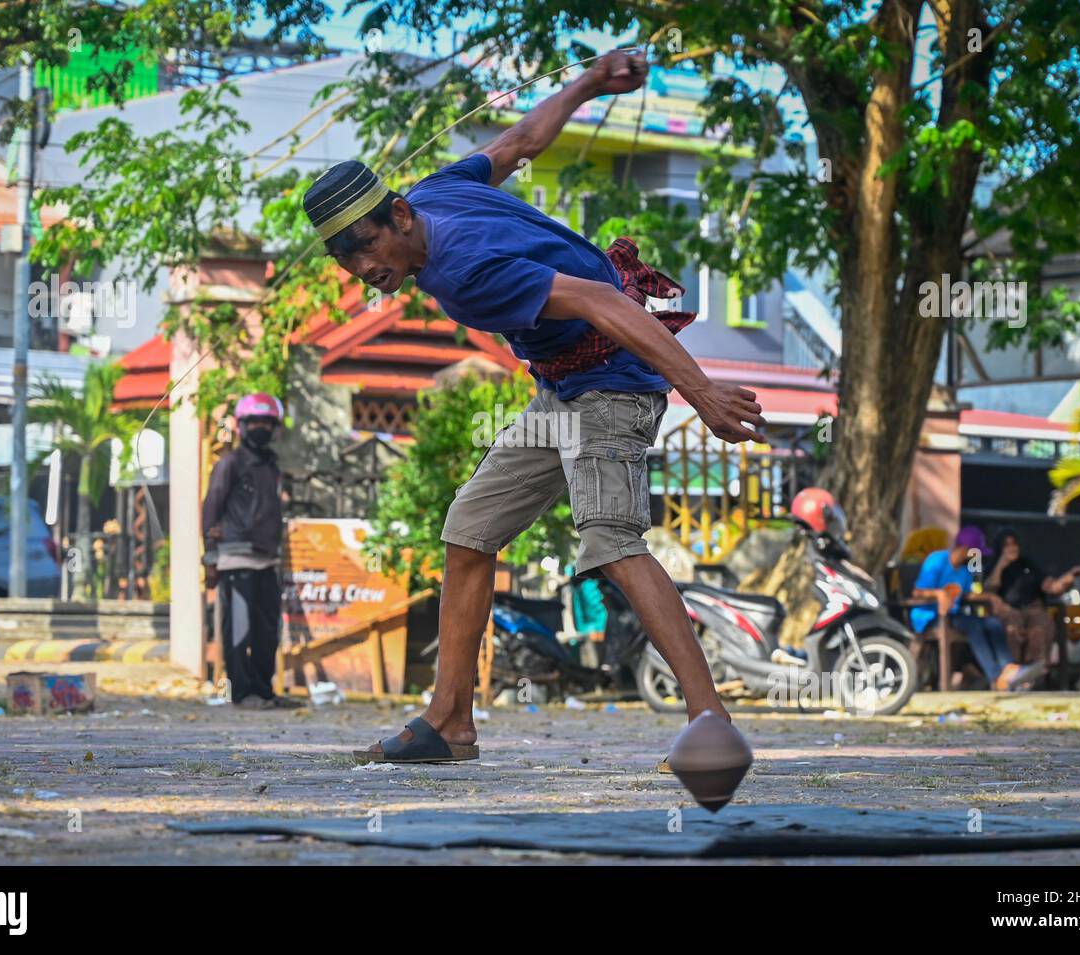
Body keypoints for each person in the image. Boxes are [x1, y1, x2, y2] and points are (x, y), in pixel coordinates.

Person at [302, 49, 763, 798]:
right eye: (344, 258)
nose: (364, 268)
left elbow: (608, 307)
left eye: (367, 246)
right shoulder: (438, 189)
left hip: (613, 382)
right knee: (469, 527)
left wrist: (703, 393)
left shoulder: (462, 272)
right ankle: (450, 720)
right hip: (563, 388)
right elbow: (519, 144)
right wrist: (584, 81)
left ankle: (710, 717)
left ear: (399, 215)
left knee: (611, 541)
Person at [202, 393, 297, 709]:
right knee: (238, 632)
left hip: (267, 558)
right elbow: (211, 510)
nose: (260, 427)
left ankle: (264, 691)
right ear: (242, 426)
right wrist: (211, 559)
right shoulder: (230, 464)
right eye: (254, 422)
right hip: (236, 556)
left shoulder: (272, 466)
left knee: (267, 631)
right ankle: (242, 694)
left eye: (266, 422)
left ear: (275, 427)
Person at [910, 526, 1038, 691]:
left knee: (993, 624)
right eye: (975, 552)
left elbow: (969, 594)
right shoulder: (937, 560)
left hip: (954, 615)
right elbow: (917, 592)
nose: (978, 556)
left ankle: (1009, 669)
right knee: (974, 626)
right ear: (964, 549)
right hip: (930, 616)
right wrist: (939, 594)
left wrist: (990, 597)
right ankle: (996, 677)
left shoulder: (967, 568)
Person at [982, 529, 1080, 673]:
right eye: (1007, 545)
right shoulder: (992, 566)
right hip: (1007, 609)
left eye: (1014, 544)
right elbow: (990, 589)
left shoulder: (1027, 563)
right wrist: (1001, 565)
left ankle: (1037, 670)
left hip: (1033, 607)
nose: (1012, 548)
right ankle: (1013, 671)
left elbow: (1048, 585)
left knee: (1042, 623)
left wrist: (1065, 580)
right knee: (1012, 627)